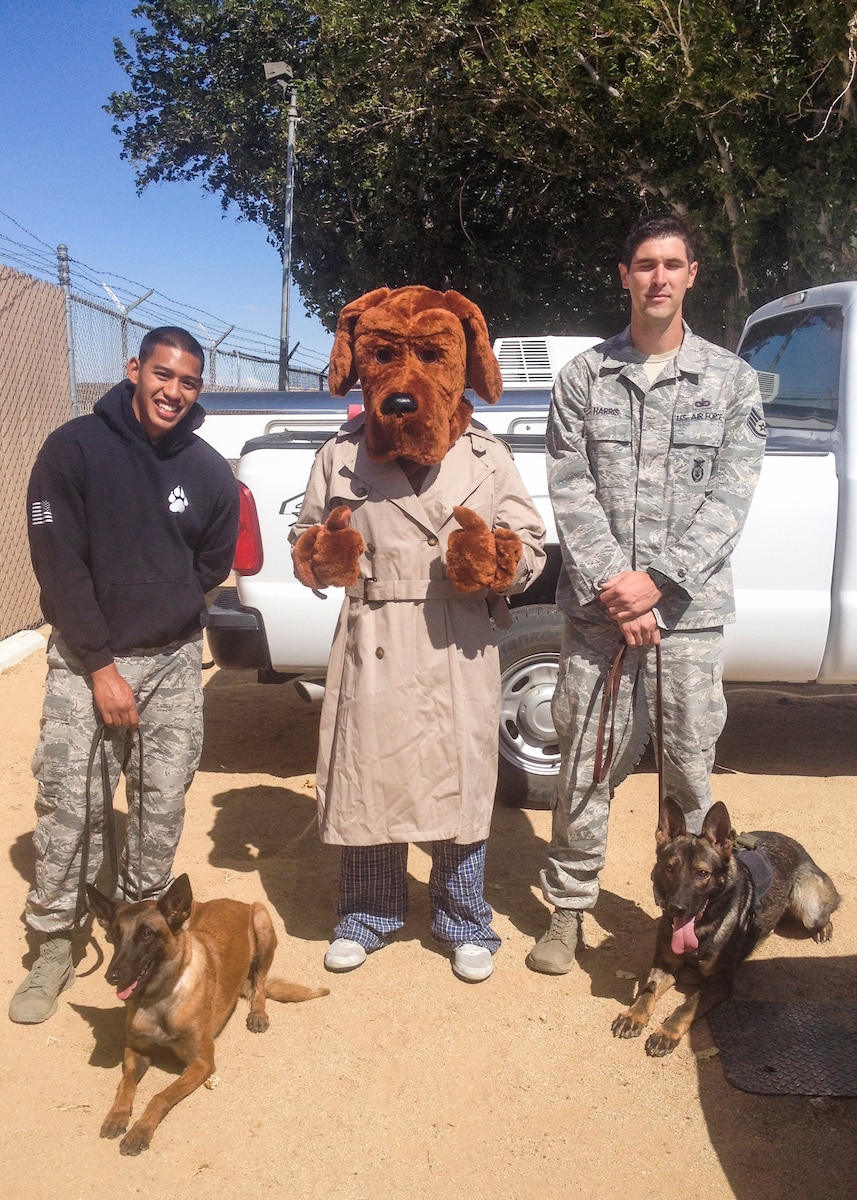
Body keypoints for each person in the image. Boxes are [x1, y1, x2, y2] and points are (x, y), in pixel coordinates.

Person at [527, 213, 767, 975]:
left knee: (691, 774)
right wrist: (618, 590)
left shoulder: (730, 381)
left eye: (671, 264)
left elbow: (730, 501)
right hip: (600, 622)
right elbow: (568, 488)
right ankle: (568, 910)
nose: (657, 277)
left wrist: (657, 587)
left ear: (692, 274)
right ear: (623, 276)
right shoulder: (582, 378)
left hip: (687, 623)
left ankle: (699, 924)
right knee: (585, 768)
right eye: (643, 265)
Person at [9, 326, 239, 1023]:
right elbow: (58, 563)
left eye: (189, 381)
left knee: (158, 810)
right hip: (88, 659)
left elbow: (211, 563)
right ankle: (55, 941)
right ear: (135, 370)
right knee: (71, 808)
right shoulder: (72, 451)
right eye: (163, 374)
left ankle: (144, 942)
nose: (173, 391)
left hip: (171, 662)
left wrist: (166, 611)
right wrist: (104, 665)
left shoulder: (206, 470)